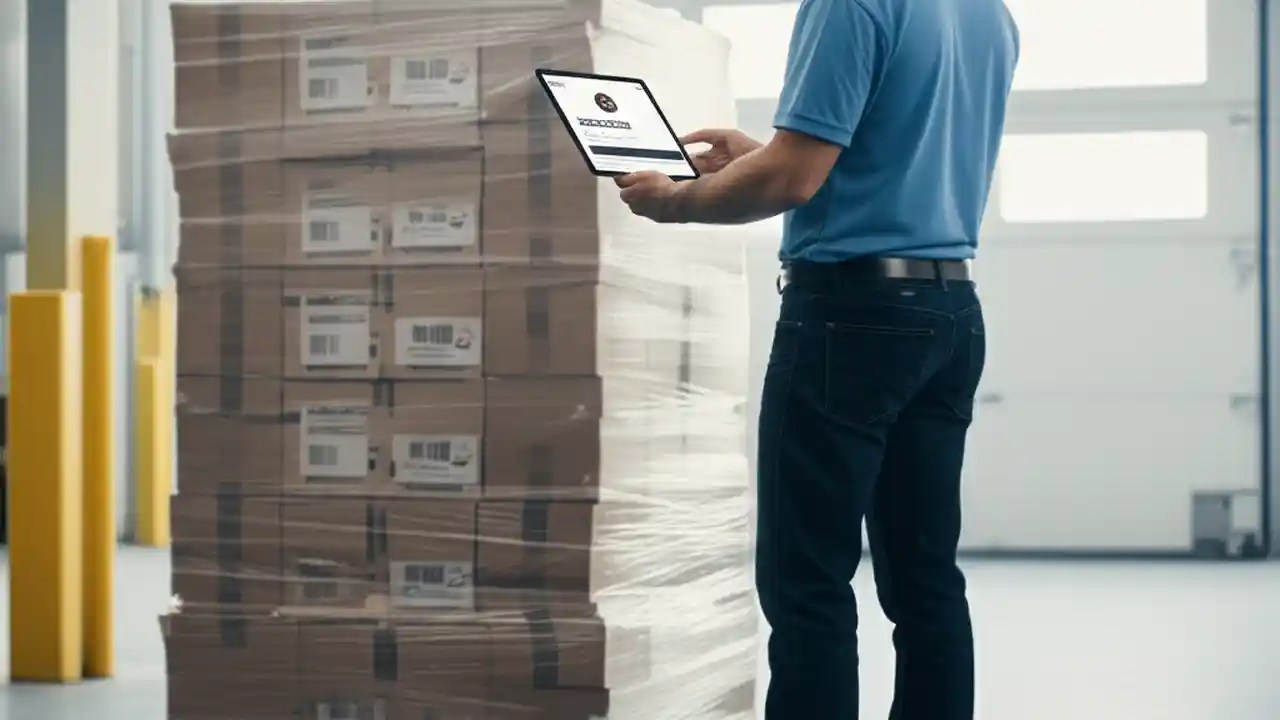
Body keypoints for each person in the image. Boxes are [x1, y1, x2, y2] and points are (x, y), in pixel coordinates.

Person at [614, 0, 1019, 718]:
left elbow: (794, 179)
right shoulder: (986, 12)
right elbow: (870, 154)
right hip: (949, 310)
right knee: (926, 581)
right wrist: (760, 155)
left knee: (807, 583)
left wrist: (677, 200)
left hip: (852, 317)